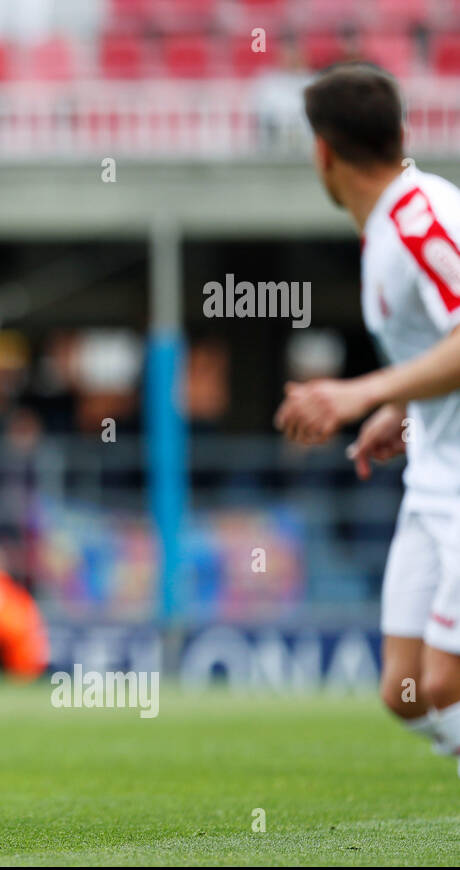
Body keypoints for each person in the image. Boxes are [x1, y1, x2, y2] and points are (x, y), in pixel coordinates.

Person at [275, 63, 460, 770]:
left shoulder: (422, 220)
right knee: (406, 689)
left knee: (444, 684)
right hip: (435, 477)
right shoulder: (387, 228)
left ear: (321, 151)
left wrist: (361, 392)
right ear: (401, 133)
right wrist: (400, 405)